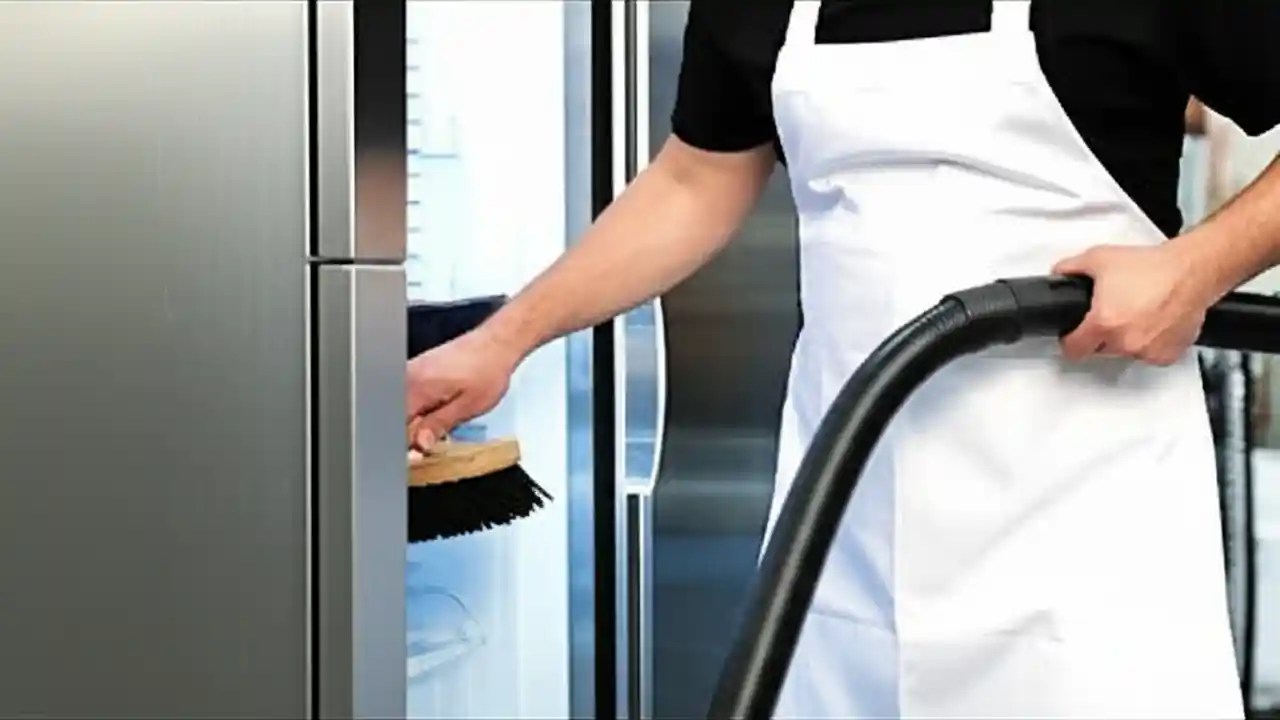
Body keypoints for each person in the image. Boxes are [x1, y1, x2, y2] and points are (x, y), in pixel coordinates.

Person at [407, 1, 1280, 716]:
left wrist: (1192, 271)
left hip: (1087, 546)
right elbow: (693, 181)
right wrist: (505, 338)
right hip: (842, 541)